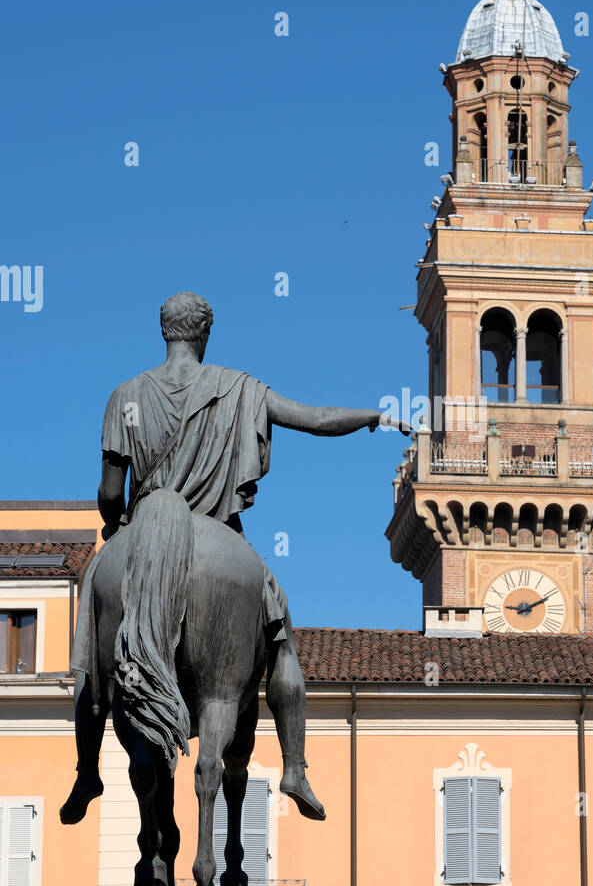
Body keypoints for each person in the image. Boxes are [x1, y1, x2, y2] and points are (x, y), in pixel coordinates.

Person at [60, 290, 400, 826]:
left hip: (138, 530)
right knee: (281, 633)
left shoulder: (125, 395)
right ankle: (294, 767)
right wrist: (376, 417)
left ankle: (85, 772)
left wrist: (116, 527)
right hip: (222, 537)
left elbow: (108, 491)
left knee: (90, 650)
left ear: (164, 331)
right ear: (205, 334)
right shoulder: (239, 388)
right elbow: (315, 417)